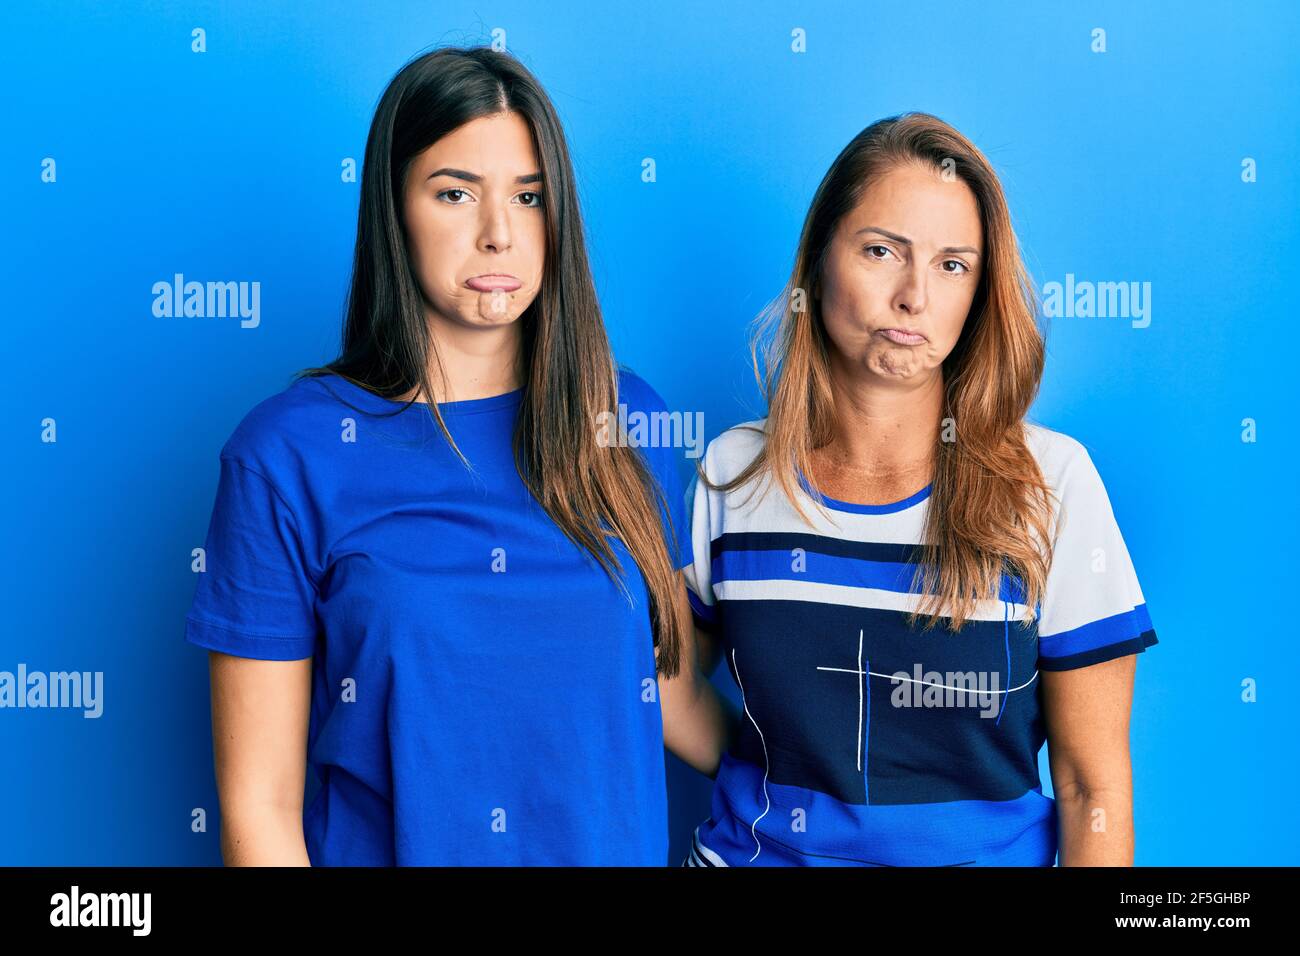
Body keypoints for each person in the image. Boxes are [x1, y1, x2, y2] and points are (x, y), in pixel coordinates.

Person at [185, 45, 729, 866]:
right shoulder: (287, 456)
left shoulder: (627, 420)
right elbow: (259, 812)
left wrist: (858, 787)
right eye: (454, 193)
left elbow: (669, 691)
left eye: (528, 196)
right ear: (394, 209)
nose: (498, 234)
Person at [682, 112, 1157, 867]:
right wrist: (767, 769)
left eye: (952, 265)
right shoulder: (733, 474)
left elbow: (1090, 787)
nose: (914, 297)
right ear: (817, 262)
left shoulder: (1051, 485)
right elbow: (663, 687)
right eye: (881, 251)